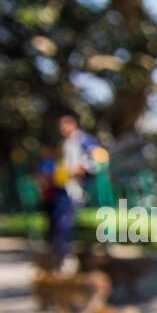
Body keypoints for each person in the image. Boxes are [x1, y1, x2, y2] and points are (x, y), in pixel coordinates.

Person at [48, 113, 100, 269]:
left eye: (65, 125)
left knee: (65, 222)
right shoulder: (66, 142)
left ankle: (67, 256)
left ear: (73, 124)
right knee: (58, 222)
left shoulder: (83, 140)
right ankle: (60, 253)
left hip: (74, 188)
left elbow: (97, 158)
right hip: (63, 186)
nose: (62, 129)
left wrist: (84, 168)